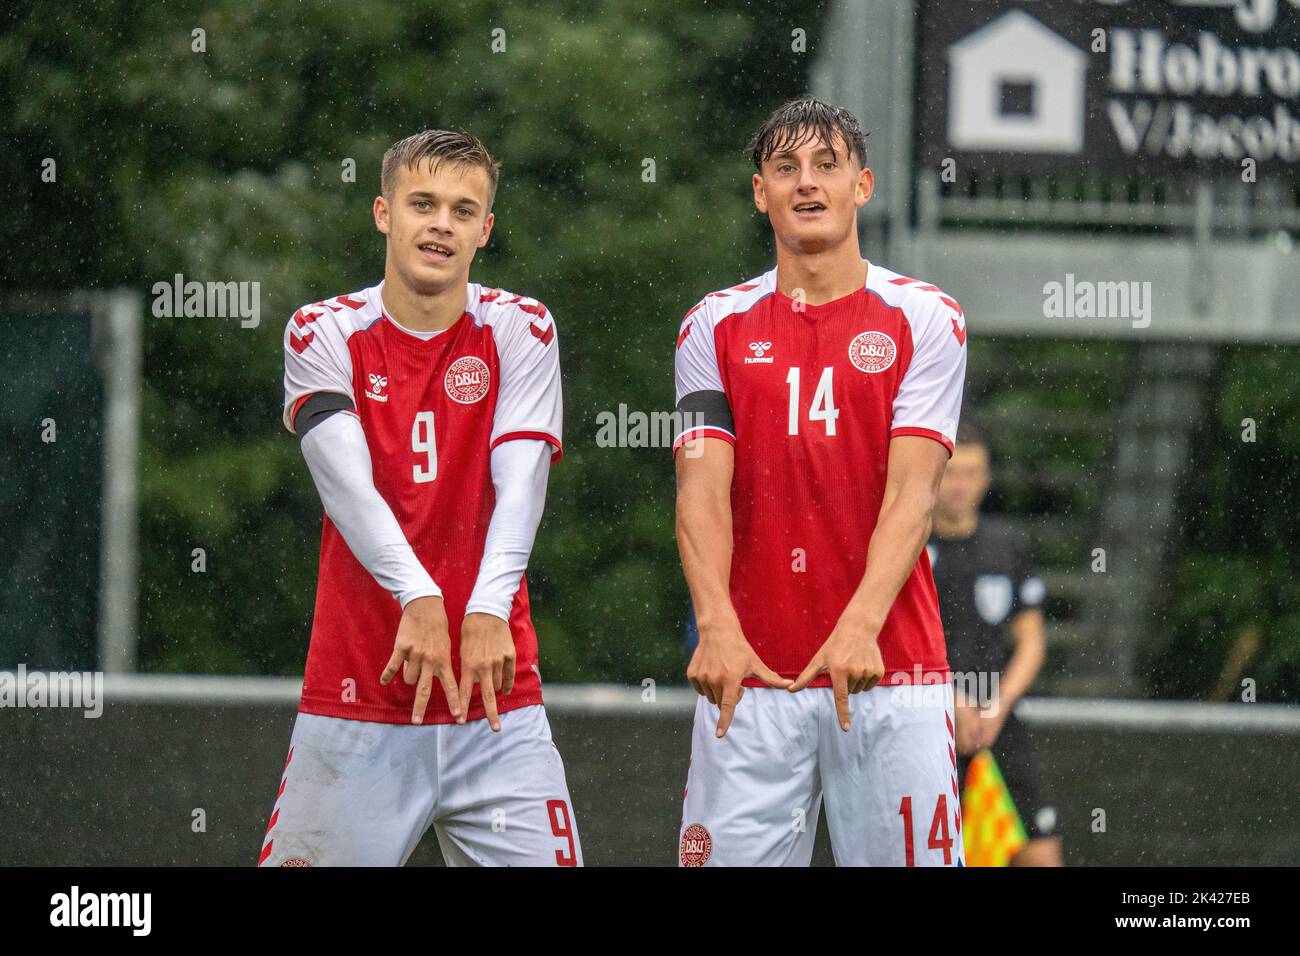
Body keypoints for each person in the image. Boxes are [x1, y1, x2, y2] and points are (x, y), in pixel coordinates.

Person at [259, 129, 581, 867]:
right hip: (356, 700)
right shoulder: (324, 329)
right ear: (383, 213)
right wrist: (420, 596)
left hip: (497, 703)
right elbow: (346, 483)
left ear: (485, 230)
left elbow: (523, 481)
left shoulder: (521, 327)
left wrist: (489, 606)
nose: (441, 223)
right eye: (423, 203)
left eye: (463, 210)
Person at [672, 97, 968, 866]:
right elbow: (701, 494)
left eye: (826, 166)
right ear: (759, 192)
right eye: (785, 167)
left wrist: (861, 623)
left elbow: (914, 495)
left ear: (861, 186)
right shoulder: (713, 324)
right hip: (748, 676)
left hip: (891, 672)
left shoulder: (926, 317)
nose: (807, 183)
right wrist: (715, 625)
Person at [928, 421, 1063, 866]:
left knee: (1040, 852)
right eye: (951, 472)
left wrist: (996, 705)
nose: (961, 485)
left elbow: (1031, 641)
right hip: (923, 719)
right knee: (929, 851)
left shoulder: (1007, 546)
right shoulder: (906, 545)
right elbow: (887, 638)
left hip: (996, 719)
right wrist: (948, 698)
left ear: (986, 479)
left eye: (972, 473)